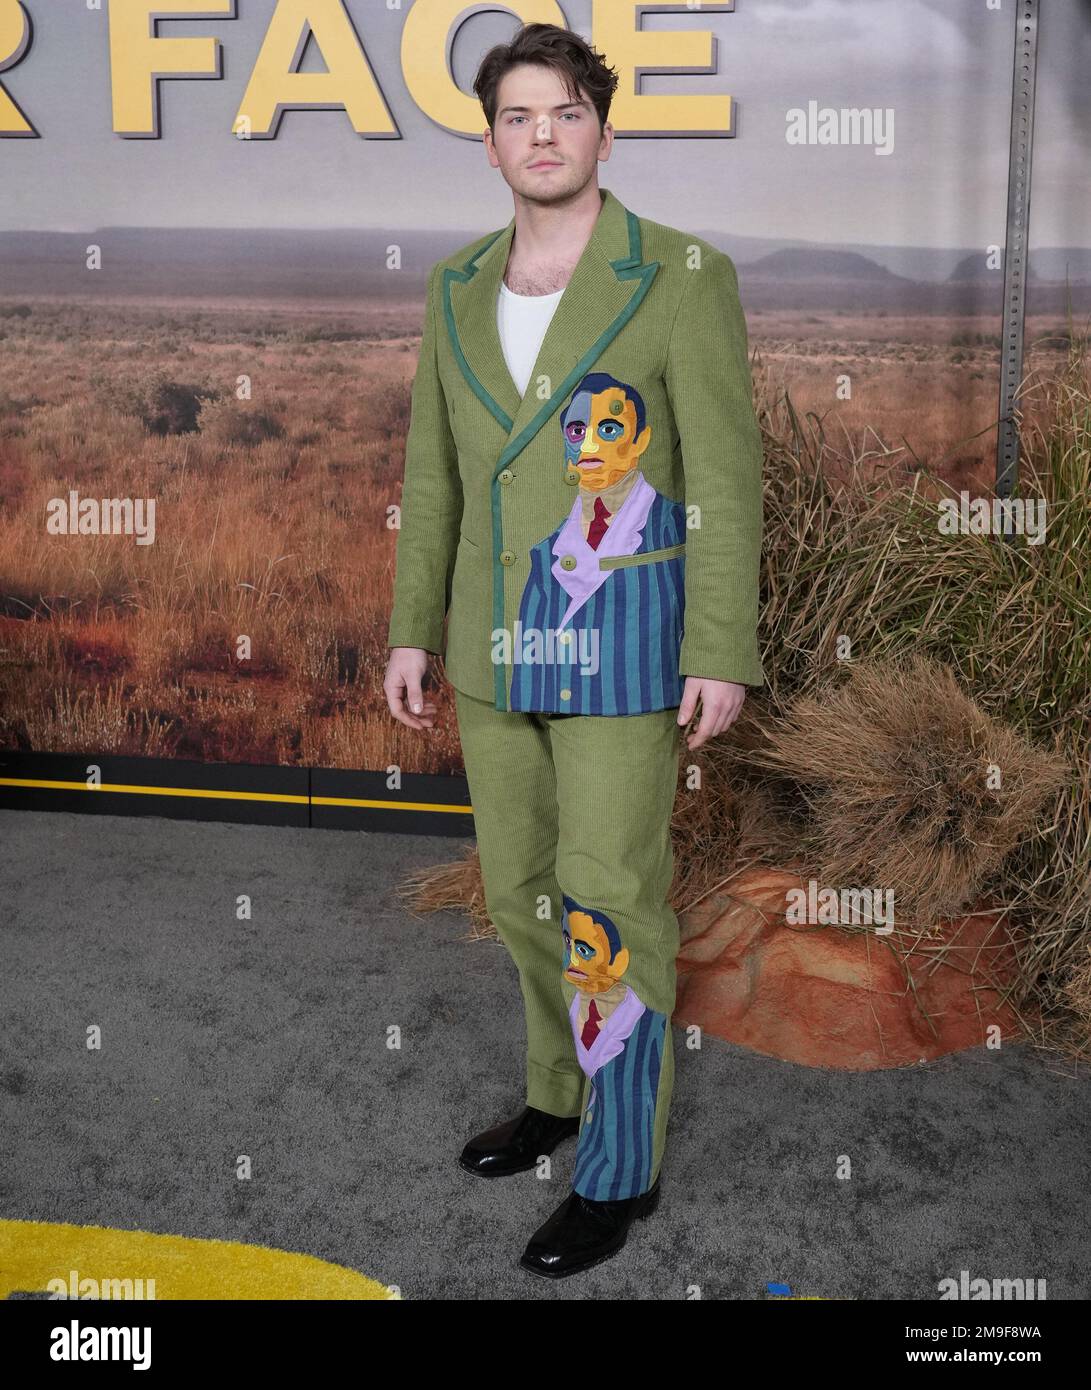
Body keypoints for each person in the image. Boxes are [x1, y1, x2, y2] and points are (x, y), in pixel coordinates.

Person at [384, 21, 764, 1279]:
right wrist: (409, 630)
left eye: (562, 113)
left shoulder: (681, 273)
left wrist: (718, 646)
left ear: (600, 127)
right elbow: (432, 478)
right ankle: (556, 1090)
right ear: (488, 140)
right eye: (514, 117)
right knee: (520, 895)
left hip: (619, 647)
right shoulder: (450, 285)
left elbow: (719, 472)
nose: (539, 136)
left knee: (609, 900)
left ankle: (617, 1168)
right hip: (491, 651)